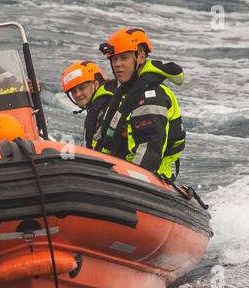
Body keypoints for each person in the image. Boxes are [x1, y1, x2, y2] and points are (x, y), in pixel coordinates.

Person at [92, 27, 186, 180]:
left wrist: (126, 181)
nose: (117, 64)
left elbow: (149, 152)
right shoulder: (125, 94)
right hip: (121, 171)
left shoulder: (151, 98)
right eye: (114, 59)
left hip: (150, 180)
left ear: (141, 57)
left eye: (124, 58)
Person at [60, 60, 112, 150]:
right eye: (73, 91)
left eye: (82, 88)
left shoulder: (105, 108)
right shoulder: (100, 105)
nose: (77, 94)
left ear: (96, 84)